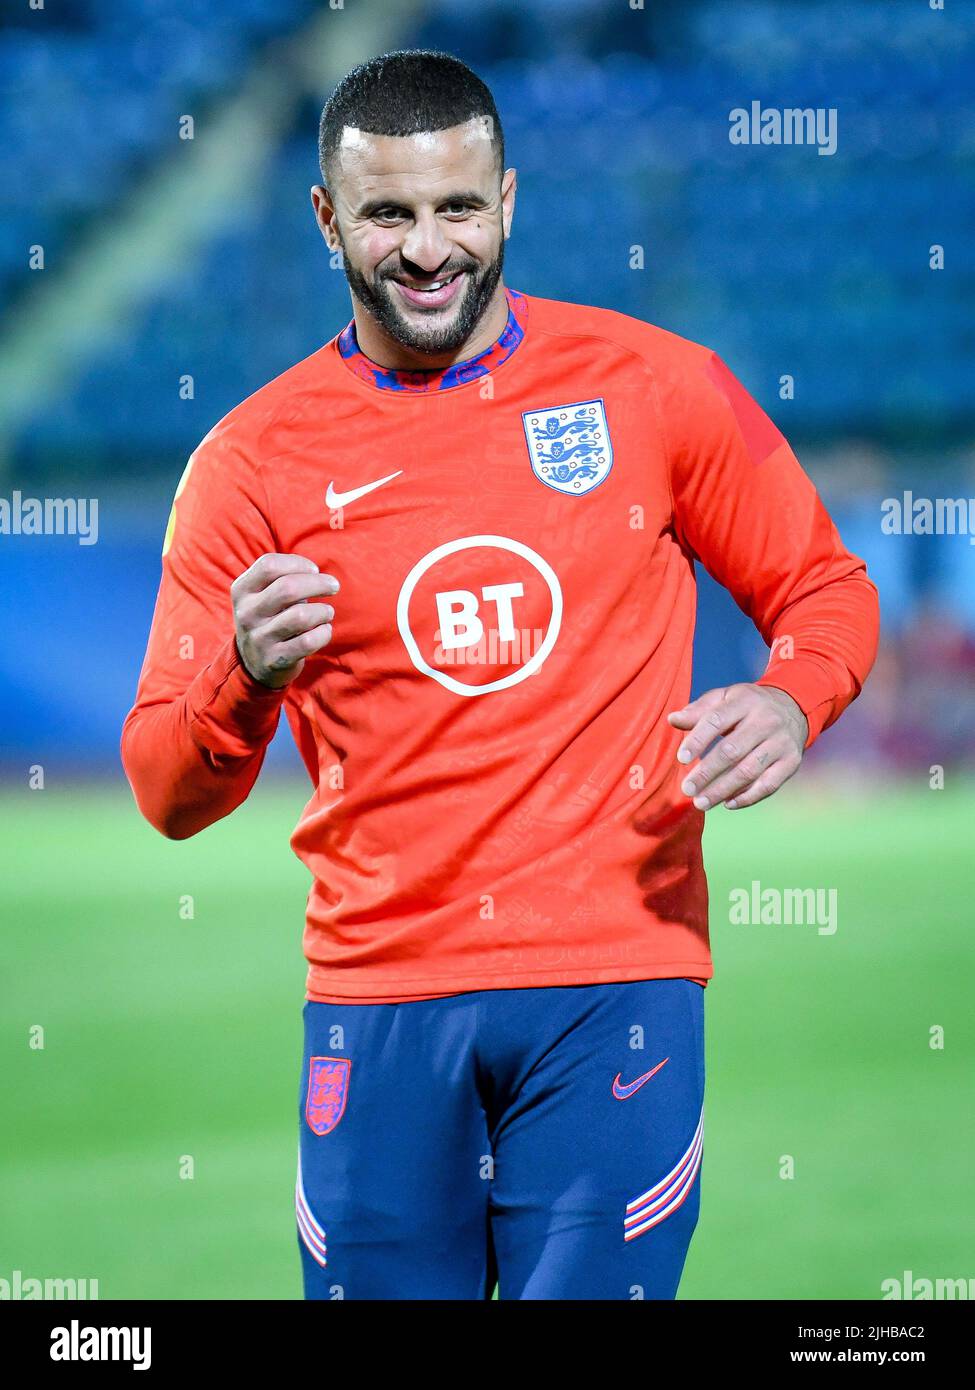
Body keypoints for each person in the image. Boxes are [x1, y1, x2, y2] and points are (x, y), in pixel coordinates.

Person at [121, 49, 879, 1300]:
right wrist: (243, 679)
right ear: (327, 219)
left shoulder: (657, 387)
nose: (430, 250)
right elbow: (166, 789)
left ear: (510, 200)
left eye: (459, 208)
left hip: (614, 985)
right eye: (390, 215)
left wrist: (793, 696)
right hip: (377, 1003)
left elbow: (828, 591)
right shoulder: (246, 465)